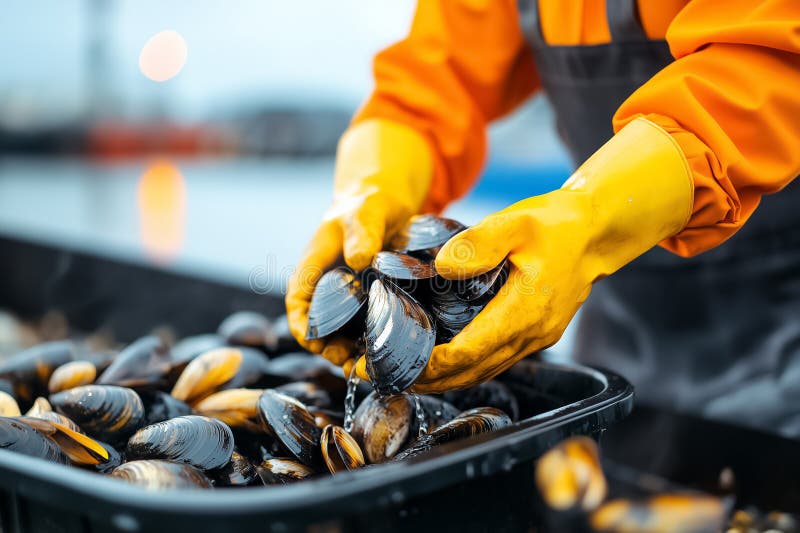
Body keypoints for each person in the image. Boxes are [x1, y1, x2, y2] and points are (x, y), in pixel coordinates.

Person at [287, 0, 800, 435]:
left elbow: (772, 60)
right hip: (617, 332)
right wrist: (370, 186)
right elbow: (428, 82)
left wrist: (589, 218)